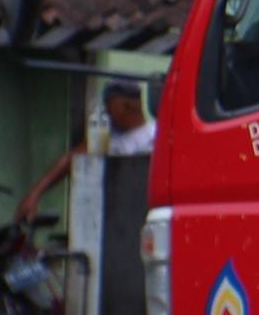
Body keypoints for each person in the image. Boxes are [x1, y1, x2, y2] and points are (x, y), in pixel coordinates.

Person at [13, 80, 156, 225]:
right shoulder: (105, 139)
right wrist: (35, 194)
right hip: (113, 223)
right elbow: (70, 159)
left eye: (110, 107)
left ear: (128, 106)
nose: (107, 113)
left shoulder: (157, 135)